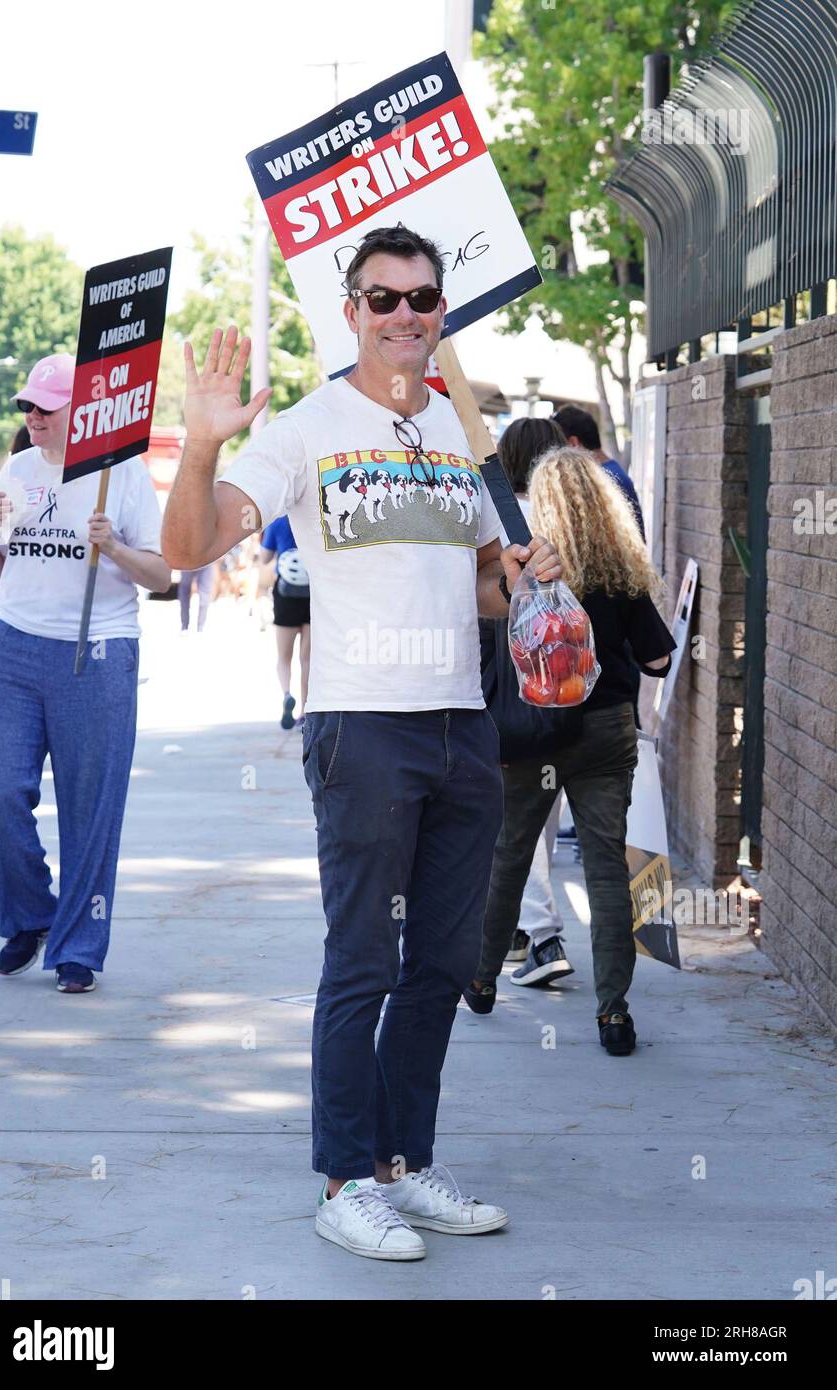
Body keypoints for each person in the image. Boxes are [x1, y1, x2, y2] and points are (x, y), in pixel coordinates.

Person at [161, 224, 562, 1261]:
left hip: (462, 724)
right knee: (363, 963)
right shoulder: (306, 429)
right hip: (362, 728)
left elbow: (482, 584)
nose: (404, 315)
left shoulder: (459, 431)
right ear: (352, 312)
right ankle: (343, 1179)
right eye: (383, 298)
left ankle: (401, 1162)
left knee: (442, 962)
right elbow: (188, 547)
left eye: (421, 298)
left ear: (441, 312)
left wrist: (520, 574)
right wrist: (201, 444)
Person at [0, 353, 170, 994]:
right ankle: (29, 916)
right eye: (27, 406)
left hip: (97, 649)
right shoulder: (18, 470)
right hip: (11, 648)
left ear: (80, 413)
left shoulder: (123, 473)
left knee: (90, 810)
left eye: (45, 408)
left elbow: (162, 575)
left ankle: (79, 945)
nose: (32, 417)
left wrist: (113, 546)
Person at [466, 445, 675, 1055]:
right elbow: (659, 660)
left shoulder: (528, 568)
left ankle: (481, 978)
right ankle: (613, 1013)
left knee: (510, 853)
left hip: (537, 729)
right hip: (607, 733)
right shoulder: (619, 572)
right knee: (606, 867)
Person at [482, 416, 573, 980]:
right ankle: (523, 931)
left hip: (506, 683)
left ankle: (542, 936)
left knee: (512, 824)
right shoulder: (573, 516)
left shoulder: (495, 514)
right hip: (565, 685)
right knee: (541, 814)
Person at [552, 403, 645, 538]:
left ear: (573, 443)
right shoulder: (610, 472)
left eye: (558, 447)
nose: (555, 456)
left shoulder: (603, 479)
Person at [258, 514, 310, 729]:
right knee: (307, 658)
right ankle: (305, 711)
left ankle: (287, 693)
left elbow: (265, 558)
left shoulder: (278, 522)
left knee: (283, 657)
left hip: (285, 592)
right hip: (312, 591)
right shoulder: (314, 517)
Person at [178, 563, 216, 632]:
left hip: (195, 562)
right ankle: (192, 627)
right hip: (198, 561)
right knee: (203, 594)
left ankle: (192, 627)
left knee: (203, 594)